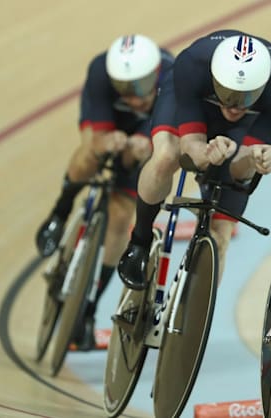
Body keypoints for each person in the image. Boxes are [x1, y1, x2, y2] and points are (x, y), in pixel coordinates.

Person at [34, 34, 173, 349]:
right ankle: (60, 211)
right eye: (124, 89)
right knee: (89, 156)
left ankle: (89, 306)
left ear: (155, 74)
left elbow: (166, 141)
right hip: (112, 124)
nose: (133, 96)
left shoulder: (174, 78)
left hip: (151, 129)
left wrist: (143, 144)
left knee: (121, 215)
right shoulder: (100, 71)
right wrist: (106, 141)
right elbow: (93, 137)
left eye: (139, 87)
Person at [116, 31, 271, 290]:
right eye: (228, 94)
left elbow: (239, 171)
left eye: (245, 96)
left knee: (220, 237)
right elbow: (191, 147)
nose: (235, 106)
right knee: (166, 157)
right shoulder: (193, 64)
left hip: (247, 124)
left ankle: (192, 313)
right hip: (194, 102)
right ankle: (140, 240)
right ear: (215, 77)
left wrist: (254, 158)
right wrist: (208, 154)